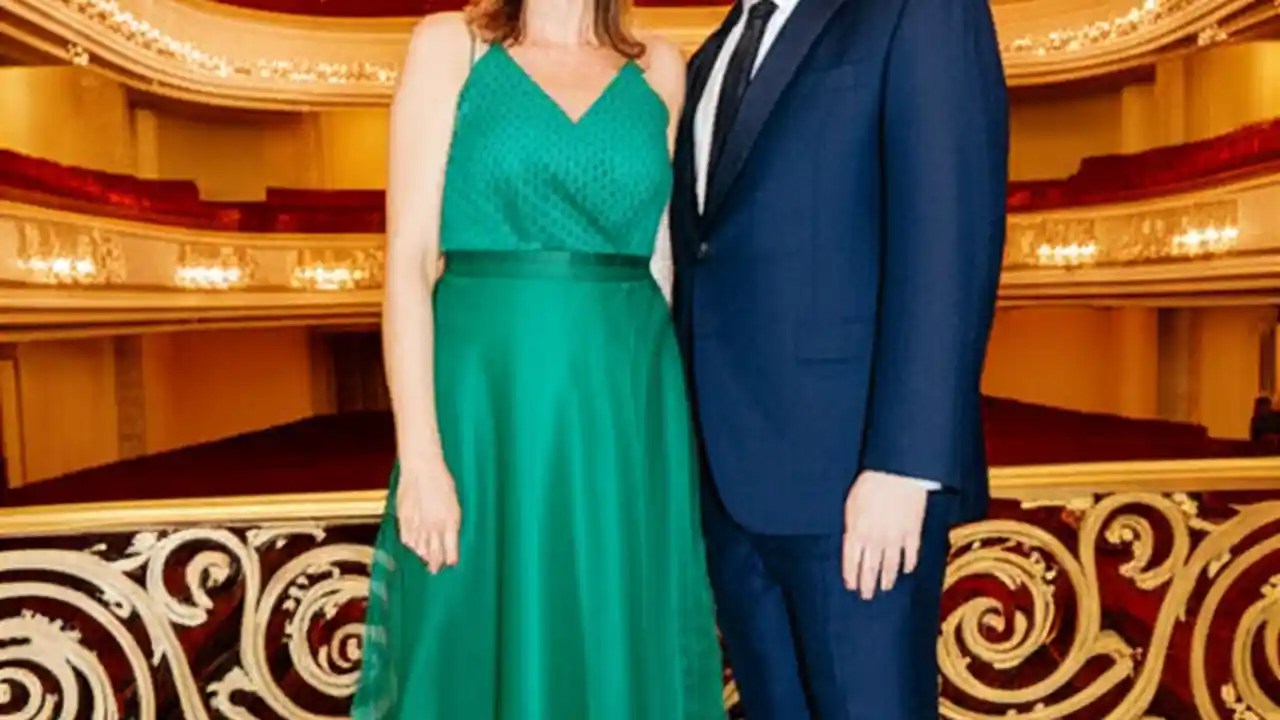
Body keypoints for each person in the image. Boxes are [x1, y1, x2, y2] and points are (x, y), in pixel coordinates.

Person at [351, 2, 725, 717]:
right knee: (468, 636)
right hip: (484, 411)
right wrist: (422, 456)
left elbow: (662, 262)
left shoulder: (662, 67)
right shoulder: (450, 47)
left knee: (617, 627)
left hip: (624, 413)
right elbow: (407, 262)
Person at [671, 0, 1008, 716]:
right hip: (730, 491)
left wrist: (904, 465)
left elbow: (947, 240)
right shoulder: (712, 51)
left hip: (857, 488)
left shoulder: (919, 11)